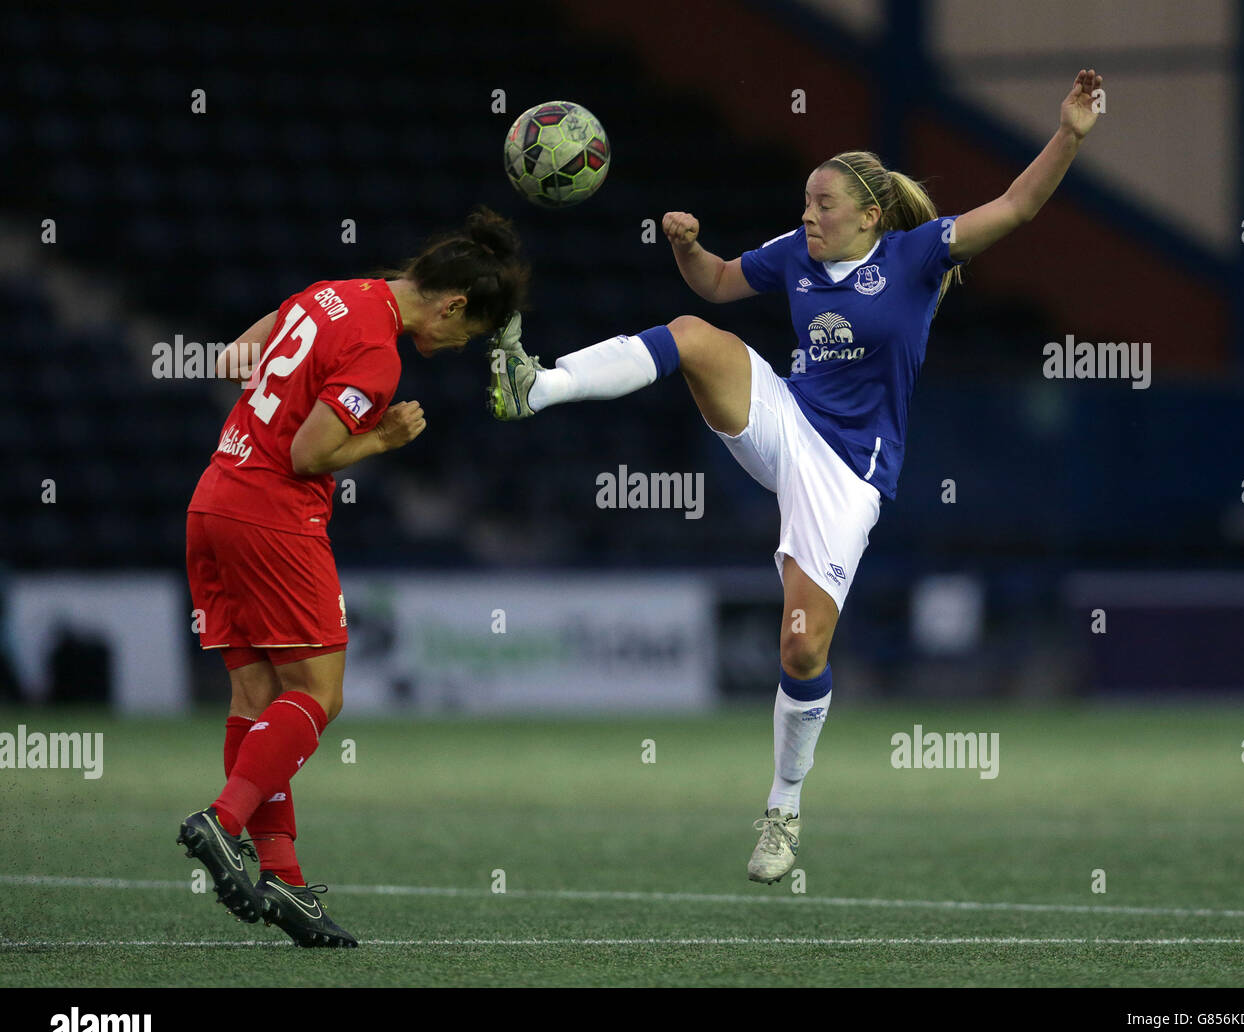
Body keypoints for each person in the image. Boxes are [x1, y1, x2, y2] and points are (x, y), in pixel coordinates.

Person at [486, 70, 1104, 884]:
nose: (807, 214)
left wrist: (1069, 133)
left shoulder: (916, 254)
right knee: (692, 332)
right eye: (806, 201)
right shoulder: (791, 257)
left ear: (869, 216)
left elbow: (1018, 208)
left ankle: (783, 807)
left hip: (850, 475)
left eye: (822, 204)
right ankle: (539, 386)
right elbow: (714, 282)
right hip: (788, 418)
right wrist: (684, 247)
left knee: (803, 646)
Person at [179, 207, 529, 945]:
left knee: (257, 697)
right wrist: (385, 437)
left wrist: (270, 370)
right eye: (464, 334)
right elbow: (310, 454)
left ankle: (286, 883)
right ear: (453, 302)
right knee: (319, 695)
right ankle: (223, 819)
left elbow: (234, 357)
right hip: (275, 516)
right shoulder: (379, 352)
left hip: (213, 499)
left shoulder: (330, 293)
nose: (452, 346)